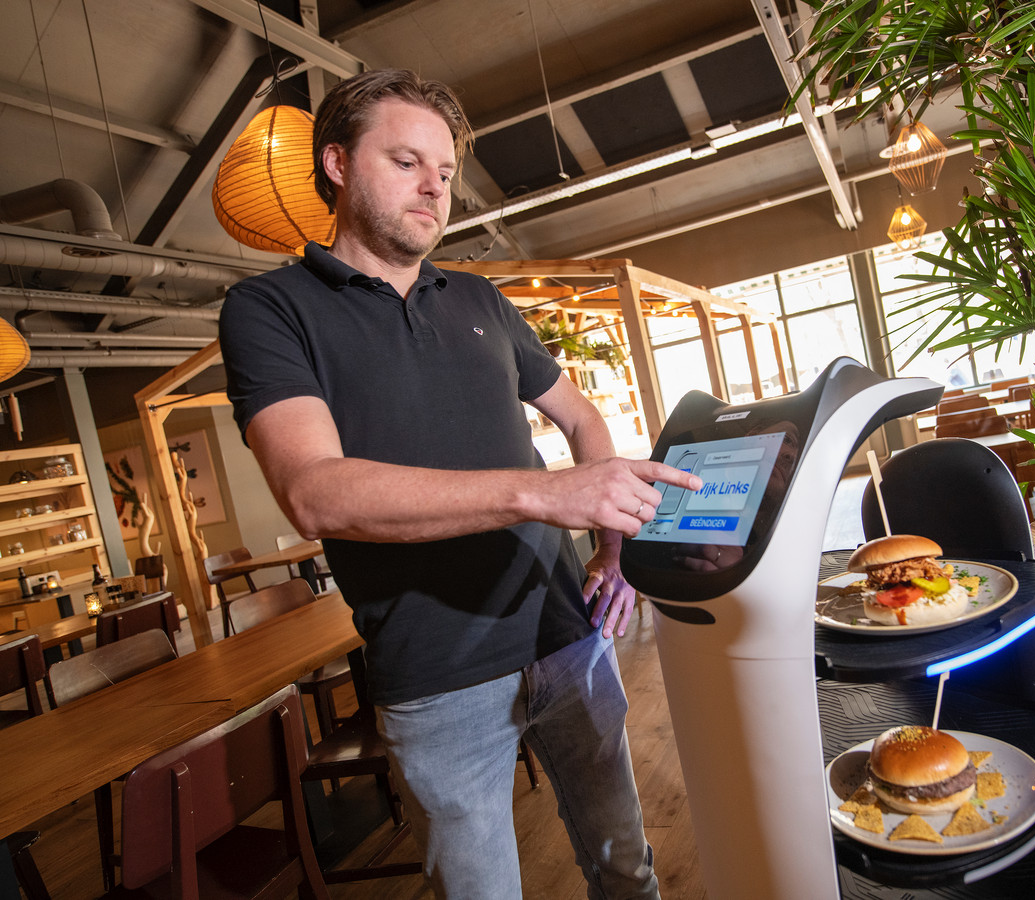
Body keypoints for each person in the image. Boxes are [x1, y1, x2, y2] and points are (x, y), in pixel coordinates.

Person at [218, 68, 700, 900]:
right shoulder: (271, 309)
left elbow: (583, 419)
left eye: (443, 172)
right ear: (336, 162)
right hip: (436, 677)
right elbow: (315, 493)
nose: (435, 188)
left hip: (567, 636)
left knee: (628, 870)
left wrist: (613, 547)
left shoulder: (480, 299)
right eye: (406, 162)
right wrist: (541, 493)